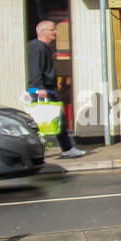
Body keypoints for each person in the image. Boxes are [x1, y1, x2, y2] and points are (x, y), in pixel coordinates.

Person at [25, 20, 85, 158]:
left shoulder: (41, 47)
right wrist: (40, 88)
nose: (55, 33)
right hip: (41, 91)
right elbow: (36, 69)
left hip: (45, 90)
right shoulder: (38, 48)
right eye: (52, 30)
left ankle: (65, 148)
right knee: (47, 122)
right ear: (43, 32)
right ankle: (62, 149)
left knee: (56, 120)